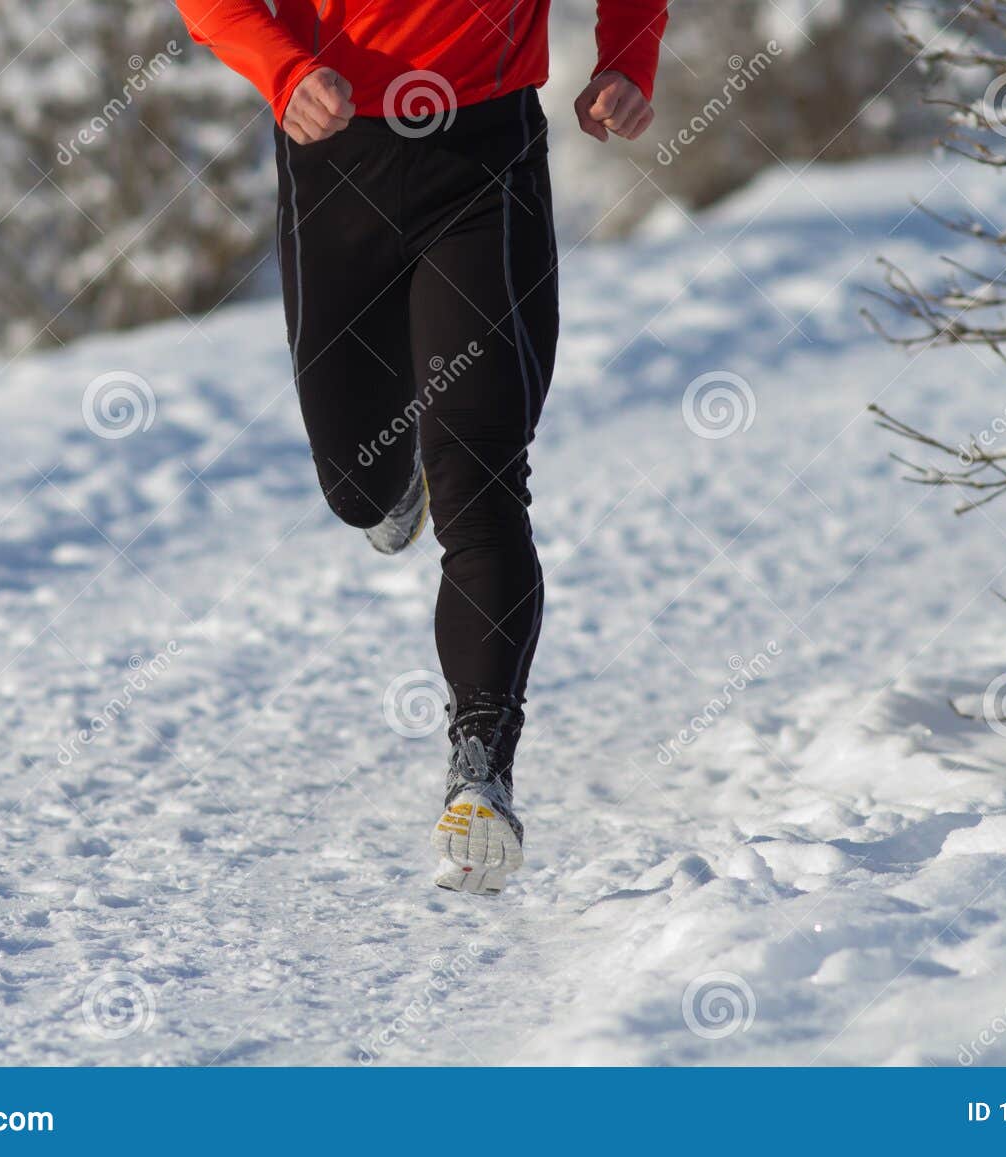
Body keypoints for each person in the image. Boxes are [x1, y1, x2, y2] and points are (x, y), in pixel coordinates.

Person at [174, 1, 669, 893]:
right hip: (336, 159)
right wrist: (283, 68)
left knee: (481, 478)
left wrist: (627, 58)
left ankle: (480, 765)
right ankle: (394, 476)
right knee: (358, 487)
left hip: (485, 162)